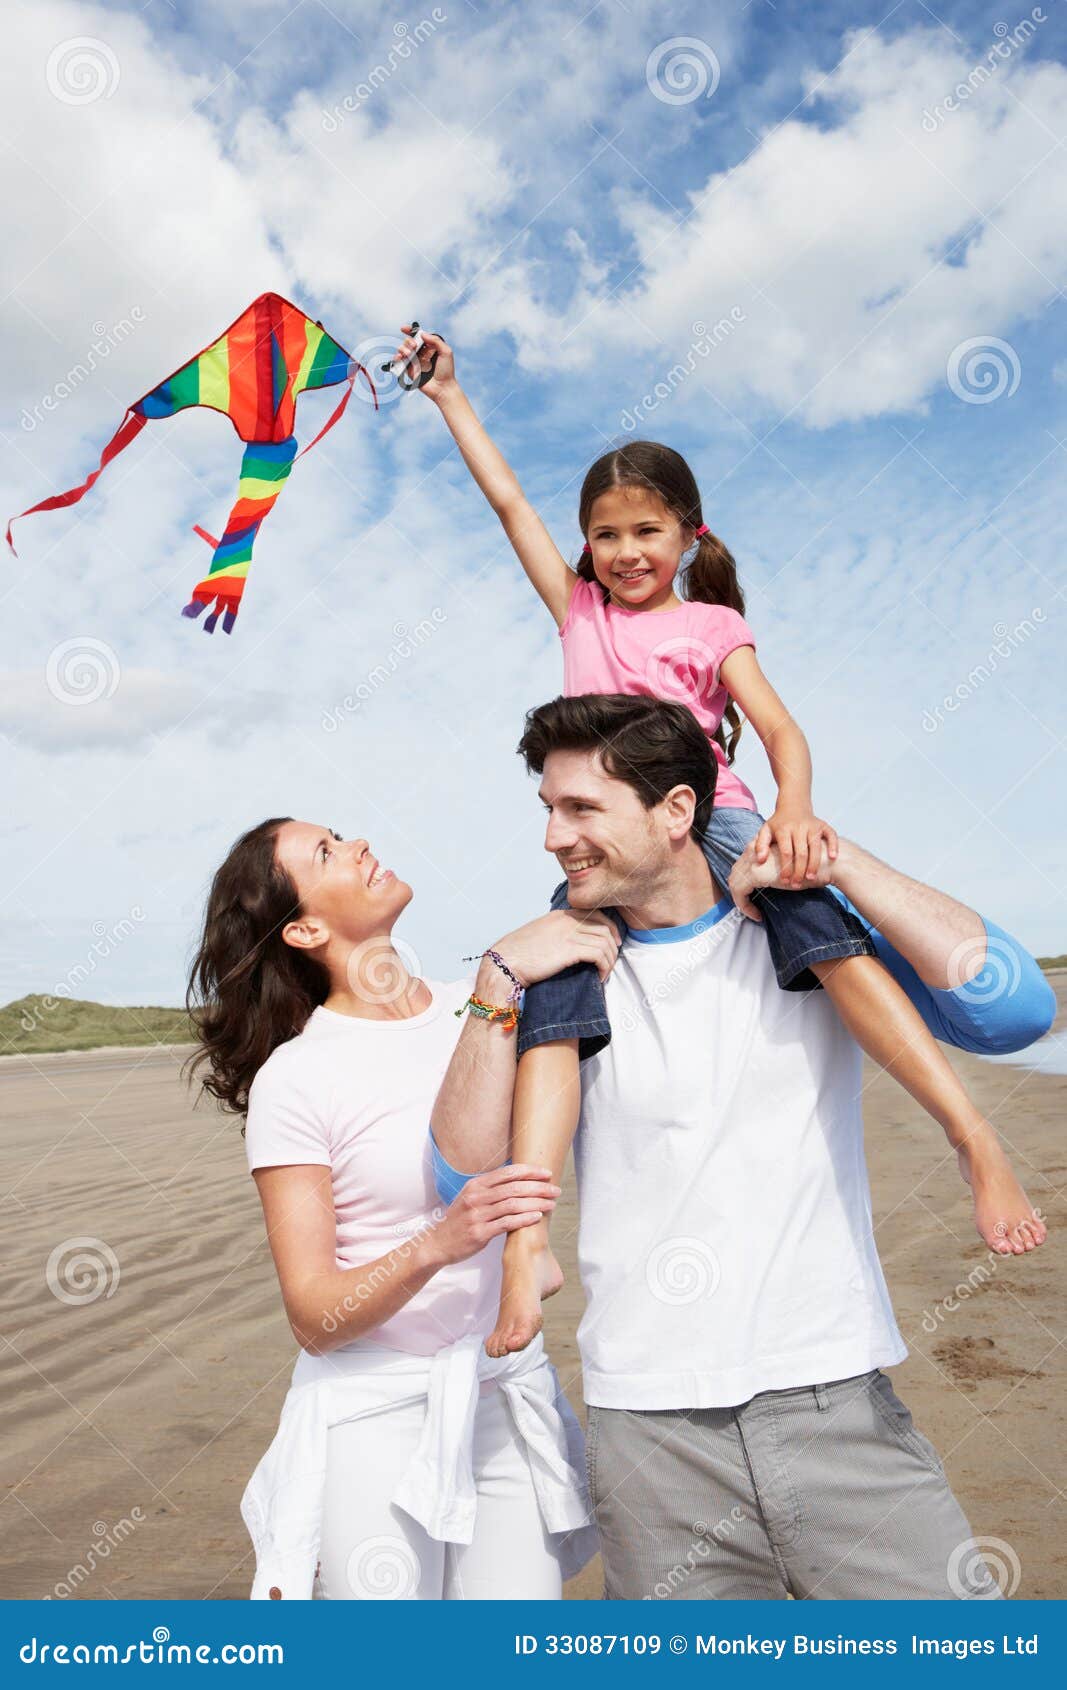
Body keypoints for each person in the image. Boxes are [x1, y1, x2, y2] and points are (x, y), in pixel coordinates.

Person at [389, 325, 1048, 1353]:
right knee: (557, 1003)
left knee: (820, 937)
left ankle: (970, 1136)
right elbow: (508, 502)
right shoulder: (577, 611)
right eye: (605, 535)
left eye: (646, 531)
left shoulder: (706, 628)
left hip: (721, 810)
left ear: (688, 535)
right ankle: (528, 1246)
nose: (625, 554)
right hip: (615, 839)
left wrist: (790, 811)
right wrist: (449, 396)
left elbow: (780, 729)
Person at [429, 694, 1055, 1599]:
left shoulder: (796, 927)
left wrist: (825, 854)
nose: (553, 838)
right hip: (647, 1435)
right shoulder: (562, 973)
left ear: (677, 812)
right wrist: (495, 980)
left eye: (581, 810)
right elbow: (463, 1174)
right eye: (547, 810)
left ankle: (974, 1139)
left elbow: (1013, 1009)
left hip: (834, 1402)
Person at [184, 818, 617, 1599]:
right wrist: (435, 1244)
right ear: (306, 927)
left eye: (342, 834)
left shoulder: (486, 1006)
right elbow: (313, 1315)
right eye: (326, 853)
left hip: (503, 1396)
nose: (357, 845)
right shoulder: (298, 1077)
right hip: (370, 1416)